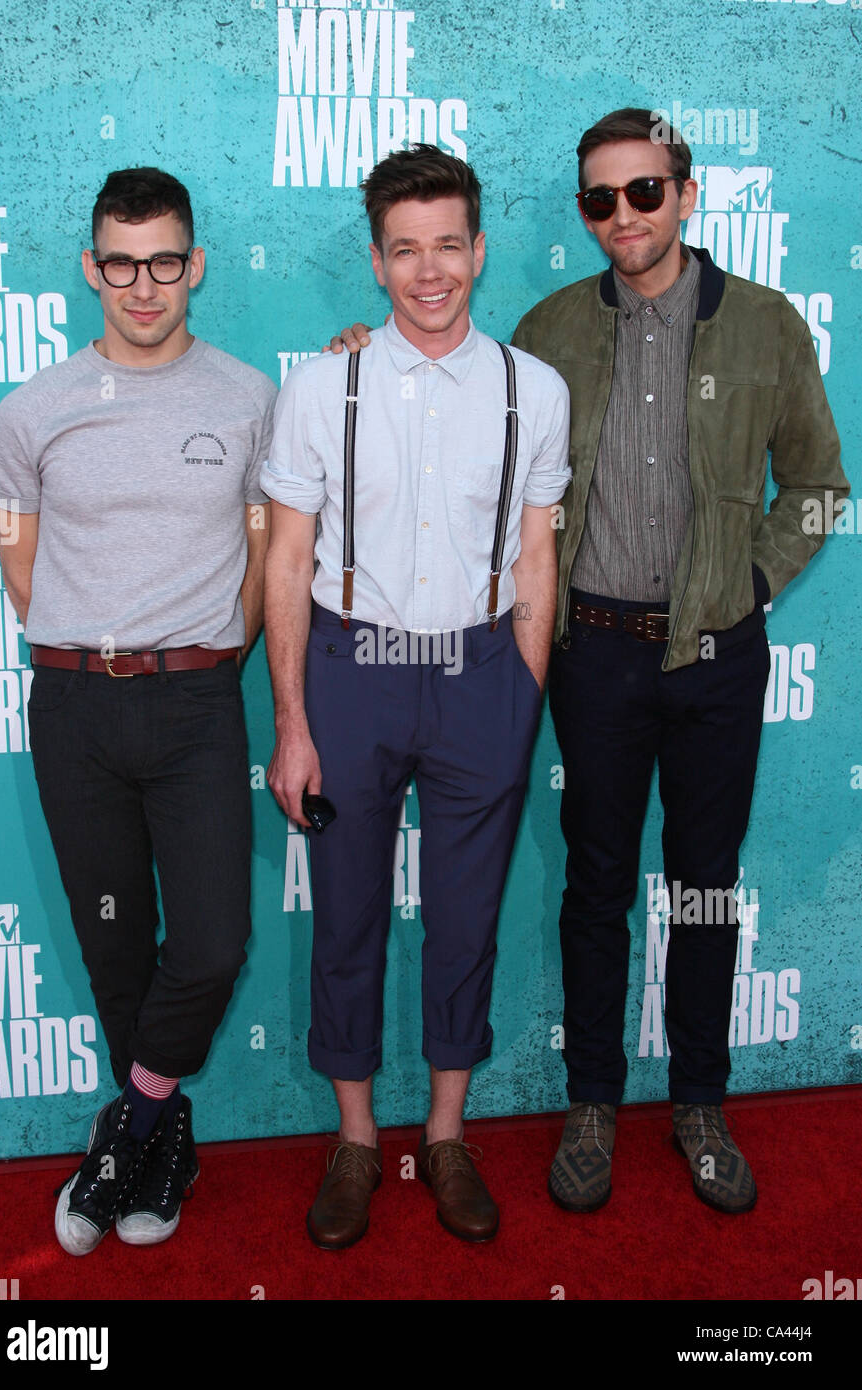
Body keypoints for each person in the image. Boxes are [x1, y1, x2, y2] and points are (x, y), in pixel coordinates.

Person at [331, 110, 847, 1216]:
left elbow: (813, 486)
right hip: (594, 656)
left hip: (716, 658)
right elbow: (451, 414)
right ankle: (592, 1103)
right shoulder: (546, 332)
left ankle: (698, 1102)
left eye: (643, 192)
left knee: (704, 887)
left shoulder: (763, 327)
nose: (623, 216)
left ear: (685, 193)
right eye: (599, 200)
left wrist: (744, 586)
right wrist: (352, 355)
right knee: (595, 888)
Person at [261, 144, 570, 1248]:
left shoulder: (533, 391)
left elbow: (536, 549)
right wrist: (293, 721)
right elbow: (285, 558)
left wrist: (520, 688)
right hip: (353, 674)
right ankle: (354, 1141)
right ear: (377, 261)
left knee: (465, 921)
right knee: (342, 916)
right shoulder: (321, 386)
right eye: (405, 249)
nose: (428, 270)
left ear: (477, 250)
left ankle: (444, 1132)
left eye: (447, 244)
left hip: (482, 675)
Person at [0, 167, 275, 1254]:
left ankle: (125, 1128)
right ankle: (165, 1144)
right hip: (73, 705)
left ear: (193, 265)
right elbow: (21, 559)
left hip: (198, 702)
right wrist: (90, 643)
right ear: (90, 267)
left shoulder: (248, 397)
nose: (142, 284)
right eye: (121, 261)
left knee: (209, 939)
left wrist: (208, 654)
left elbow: (262, 553)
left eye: (164, 261)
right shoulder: (32, 409)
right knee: (115, 948)